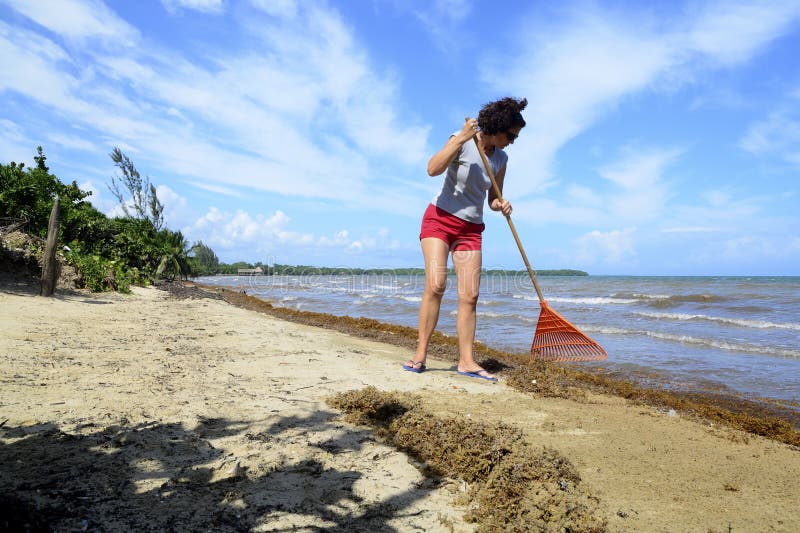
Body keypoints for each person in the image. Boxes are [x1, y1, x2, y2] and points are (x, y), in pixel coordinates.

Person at [403, 97, 527, 381]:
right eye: (511, 135)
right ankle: (421, 353)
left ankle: (466, 361)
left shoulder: (501, 158)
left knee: (469, 296)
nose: (513, 141)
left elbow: (493, 199)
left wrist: (502, 205)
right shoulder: (462, 140)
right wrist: (460, 139)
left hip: (471, 228)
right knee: (436, 285)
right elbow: (432, 169)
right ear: (496, 127)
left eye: (515, 137)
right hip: (440, 219)